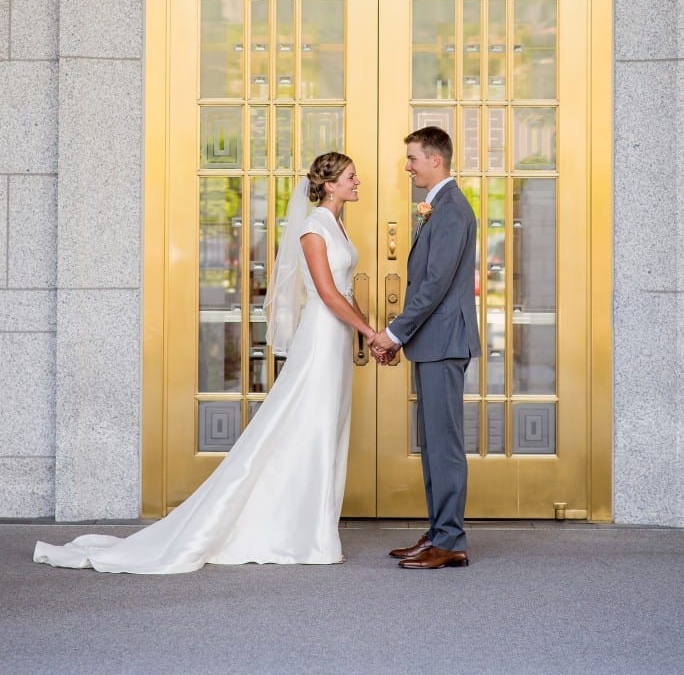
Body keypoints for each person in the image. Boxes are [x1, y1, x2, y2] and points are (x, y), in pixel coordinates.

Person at [33, 152, 375, 573]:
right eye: (351, 177)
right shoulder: (313, 228)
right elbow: (326, 293)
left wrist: (367, 332)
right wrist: (373, 334)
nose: (358, 182)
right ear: (330, 184)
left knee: (326, 428)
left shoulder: (339, 224)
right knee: (310, 427)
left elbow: (345, 287)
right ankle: (307, 537)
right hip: (321, 340)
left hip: (338, 340)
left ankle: (313, 528)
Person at [369, 127, 481, 570]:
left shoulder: (452, 209)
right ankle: (439, 530)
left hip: (443, 341)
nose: (408, 165)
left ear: (435, 159)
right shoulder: (441, 206)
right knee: (433, 443)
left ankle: (451, 539)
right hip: (433, 341)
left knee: (444, 444)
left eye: (413, 158)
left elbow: (433, 285)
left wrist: (394, 334)